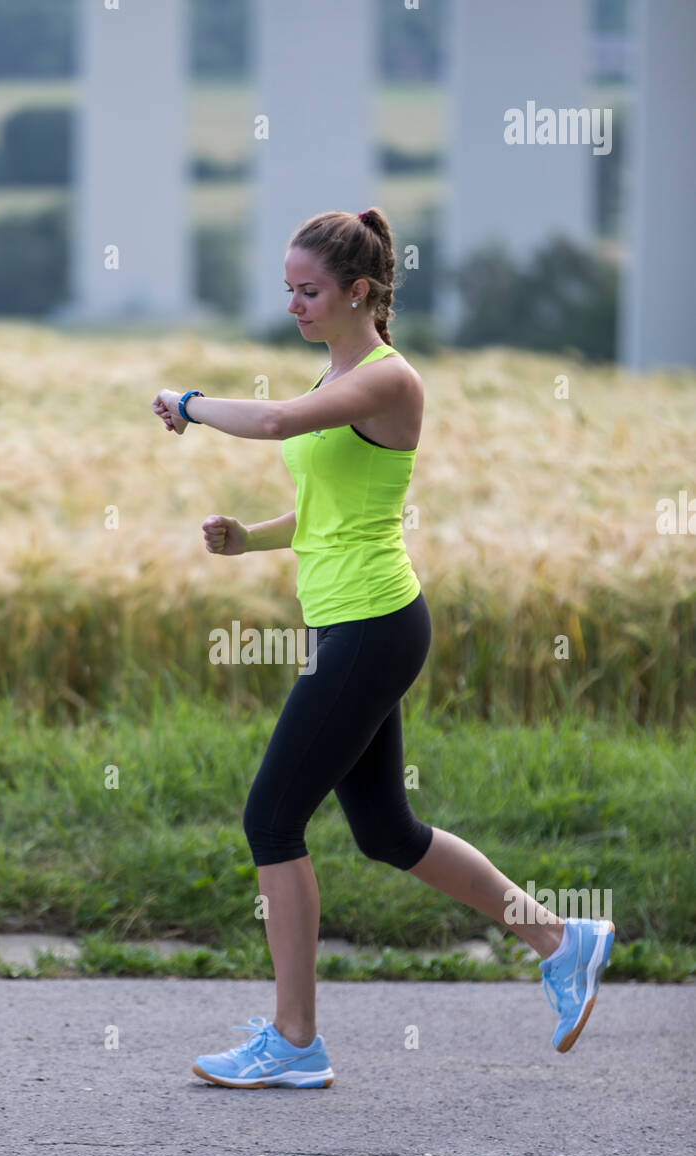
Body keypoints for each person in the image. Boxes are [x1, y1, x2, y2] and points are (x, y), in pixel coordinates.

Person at [152, 207, 614, 1090]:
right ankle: (562, 938)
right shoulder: (338, 373)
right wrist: (250, 539)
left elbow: (281, 423)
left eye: (309, 289)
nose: (293, 303)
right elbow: (337, 510)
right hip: (353, 623)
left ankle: (294, 1042)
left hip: (370, 629)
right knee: (386, 830)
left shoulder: (386, 380)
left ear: (359, 290)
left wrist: (191, 405)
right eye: (287, 289)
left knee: (271, 820)